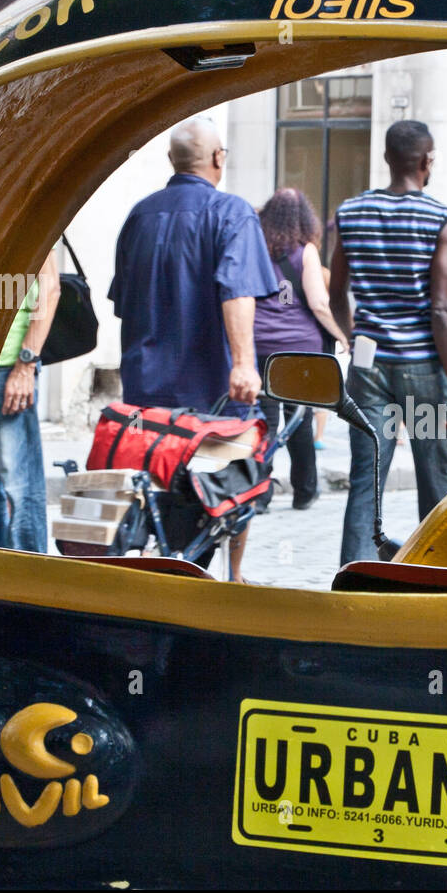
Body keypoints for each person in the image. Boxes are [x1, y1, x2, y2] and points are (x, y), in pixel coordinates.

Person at [110, 115, 278, 582]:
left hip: (145, 387)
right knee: (238, 473)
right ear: (218, 159)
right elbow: (237, 289)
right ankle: (232, 576)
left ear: (172, 160)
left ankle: (161, 568)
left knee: (158, 481)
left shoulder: (139, 215)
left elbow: (123, 305)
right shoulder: (232, 212)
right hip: (211, 391)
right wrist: (244, 365)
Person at [330, 119, 447, 566]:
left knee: (366, 481)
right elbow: (442, 309)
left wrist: (355, 337)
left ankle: (353, 580)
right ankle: (435, 577)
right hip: (425, 369)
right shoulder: (440, 218)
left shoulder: (349, 213)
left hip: (367, 371)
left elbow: (336, 294)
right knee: (435, 481)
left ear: (386, 158)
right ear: (427, 162)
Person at [255, 187, 349, 510]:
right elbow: (319, 304)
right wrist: (342, 335)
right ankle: (304, 490)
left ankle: (259, 494)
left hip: (260, 345)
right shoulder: (305, 251)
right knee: (299, 418)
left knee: (263, 422)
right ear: (304, 219)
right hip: (298, 350)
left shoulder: (255, 248)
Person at [0, 250, 60, 553]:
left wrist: (25, 364)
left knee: (21, 488)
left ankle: (32, 585)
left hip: (9, 368)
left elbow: (49, 288)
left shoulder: (22, 209)